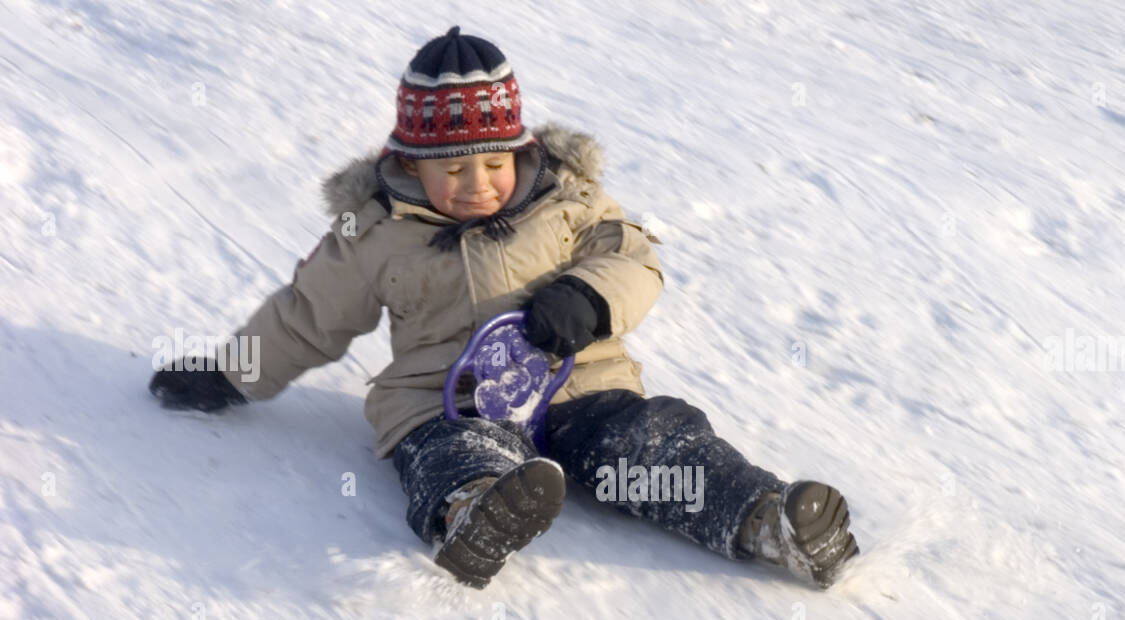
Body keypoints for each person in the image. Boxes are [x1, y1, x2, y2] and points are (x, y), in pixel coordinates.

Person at [150, 26, 858, 589]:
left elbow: (635, 259)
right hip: (444, 398)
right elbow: (308, 314)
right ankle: (474, 514)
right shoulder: (376, 230)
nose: (476, 184)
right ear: (410, 162)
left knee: (651, 446)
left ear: (520, 149)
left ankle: (769, 519)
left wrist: (586, 296)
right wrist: (231, 372)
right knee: (450, 451)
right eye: (452, 170)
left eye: (493, 164)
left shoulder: (570, 200)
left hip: (582, 386)